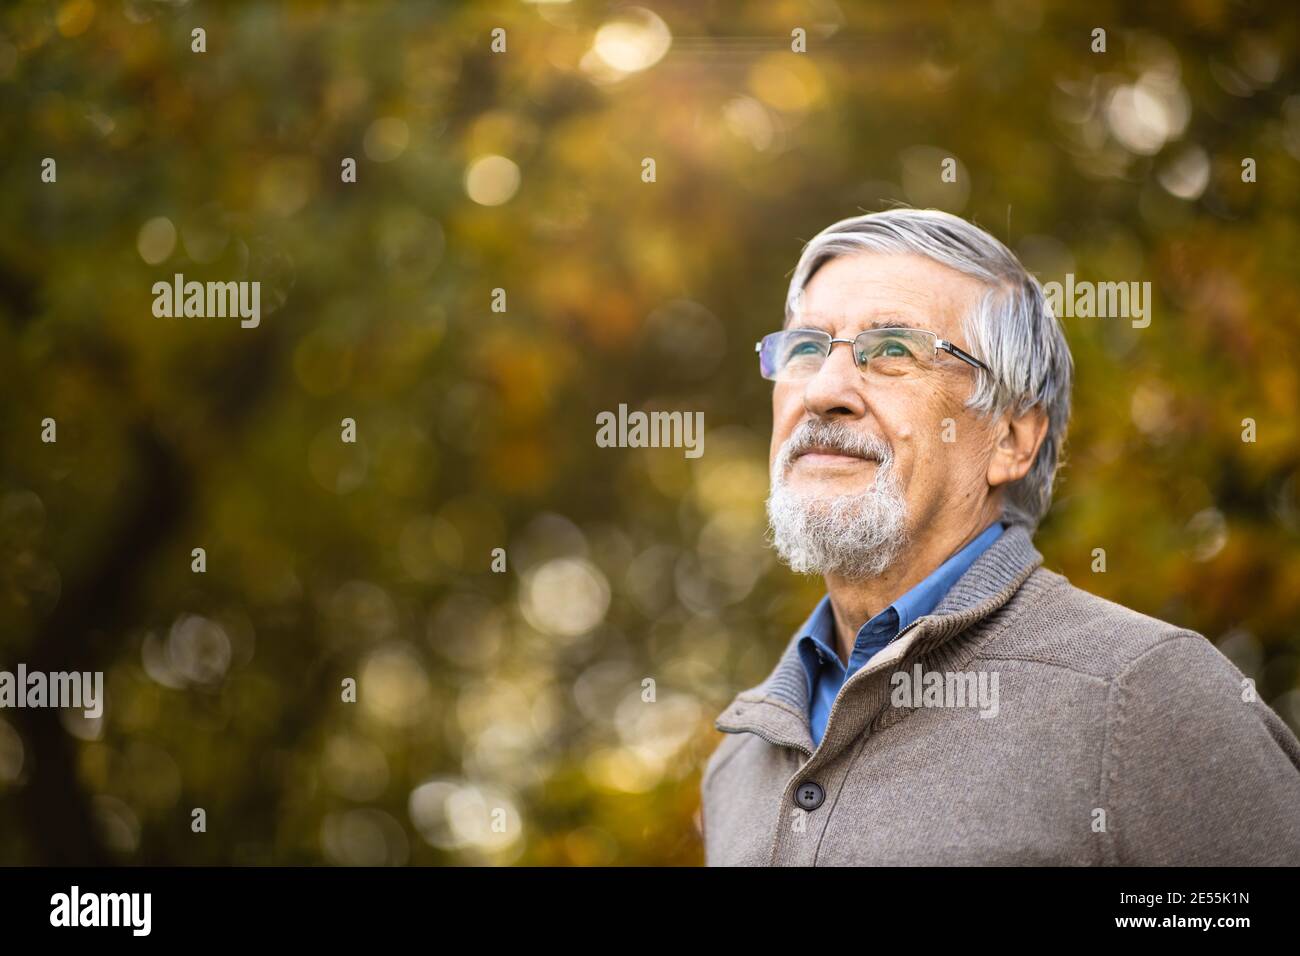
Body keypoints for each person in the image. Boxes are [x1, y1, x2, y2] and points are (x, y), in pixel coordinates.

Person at [699, 208, 1300, 865]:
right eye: (806, 348)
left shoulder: (1143, 695)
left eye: (894, 350)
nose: (822, 391)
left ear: (1011, 439)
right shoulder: (740, 761)